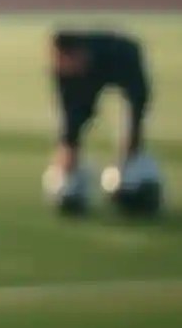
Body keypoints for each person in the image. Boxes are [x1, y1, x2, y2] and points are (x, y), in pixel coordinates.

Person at [43, 29, 160, 213]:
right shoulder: (63, 71)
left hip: (122, 61)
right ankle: (73, 181)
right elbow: (70, 115)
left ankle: (134, 174)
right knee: (75, 130)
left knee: (132, 143)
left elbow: (138, 102)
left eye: (65, 61)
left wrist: (130, 147)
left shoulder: (122, 54)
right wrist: (67, 150)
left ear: (78, 54)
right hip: (90, 77)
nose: (59, 67)